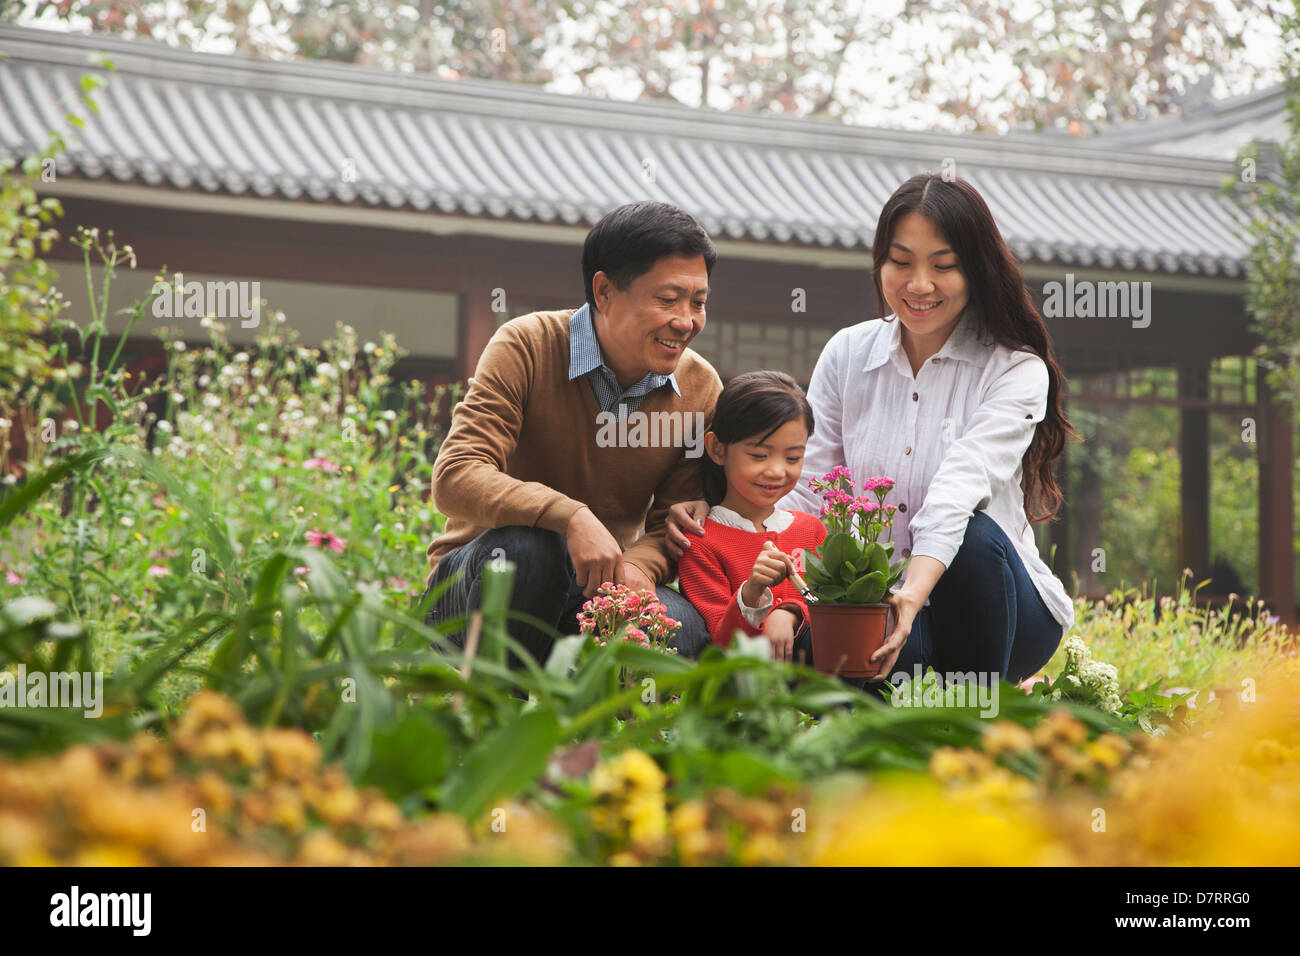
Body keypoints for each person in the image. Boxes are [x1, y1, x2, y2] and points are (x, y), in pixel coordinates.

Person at [668, 174, 1079, 687]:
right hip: (874, 609)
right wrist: (737, 522)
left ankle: (980, 715)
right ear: (880, 262)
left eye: (944, 266)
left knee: (973, 537)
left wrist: (912, 593)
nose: (919, 285)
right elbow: (810, 490)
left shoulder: (1015, 369)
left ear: (975, 270)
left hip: (1000, 606)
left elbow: (960, 486)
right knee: (856, 669)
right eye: (900, 262)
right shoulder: (848, 353)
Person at [420, 201, 724, 666]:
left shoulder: (701, 388)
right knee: (528, 551)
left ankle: (613, 740)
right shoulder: (526, 345)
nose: (686, 321)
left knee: (680, 632)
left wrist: (639, 568)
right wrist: (570, 517)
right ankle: (493, 719)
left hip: (599, 587)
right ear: (604, 291)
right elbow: (457, 475)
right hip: (478, 581)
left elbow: (673, 523)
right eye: (667, 299)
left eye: (697, 302)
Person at [676, 371, 826, 662]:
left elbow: (835, 606)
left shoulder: (813, 530)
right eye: (759, 455)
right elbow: (720, 643)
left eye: (793, 458)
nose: (777, 471)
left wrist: (790, 612)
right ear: (717, 449)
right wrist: (752, 592)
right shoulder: (701, 540)